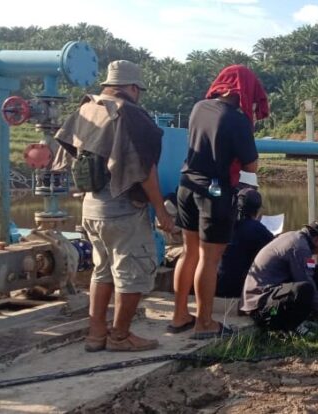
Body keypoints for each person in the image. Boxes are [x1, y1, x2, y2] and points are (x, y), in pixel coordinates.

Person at [53, 60, 173, 351]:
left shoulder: (86, 108)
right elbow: (146, 171)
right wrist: (162, 211)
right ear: (132, 87)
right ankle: (120, 336)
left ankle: (96, 335)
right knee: (132, 274)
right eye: (138, 90)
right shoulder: (130, 114)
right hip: (123, 209)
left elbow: (69, 152)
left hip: (92, 207)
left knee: (102, 271)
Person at [171, 65, 269, 339]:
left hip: (186, 185)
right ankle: (204, 323)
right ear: (245, 93)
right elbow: (252, 165)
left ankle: (179, 315)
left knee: (188, 252)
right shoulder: (237, 119)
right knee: (210, 258)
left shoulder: (198, 108)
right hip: (214, 192)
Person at [241, 221, 318, 331]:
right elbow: (305, 279)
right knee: (304, 289)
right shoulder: (300, 247)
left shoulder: (296, 237)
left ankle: (307, 315)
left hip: (274, 289)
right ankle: (291, 327)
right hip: (261, 304)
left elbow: (309, 270)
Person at [212, 188, 274, 301]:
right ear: (257, 210)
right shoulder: (257, 229)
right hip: (238, 288)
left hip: (216, 285)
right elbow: (274, 249)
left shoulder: (224, 224)